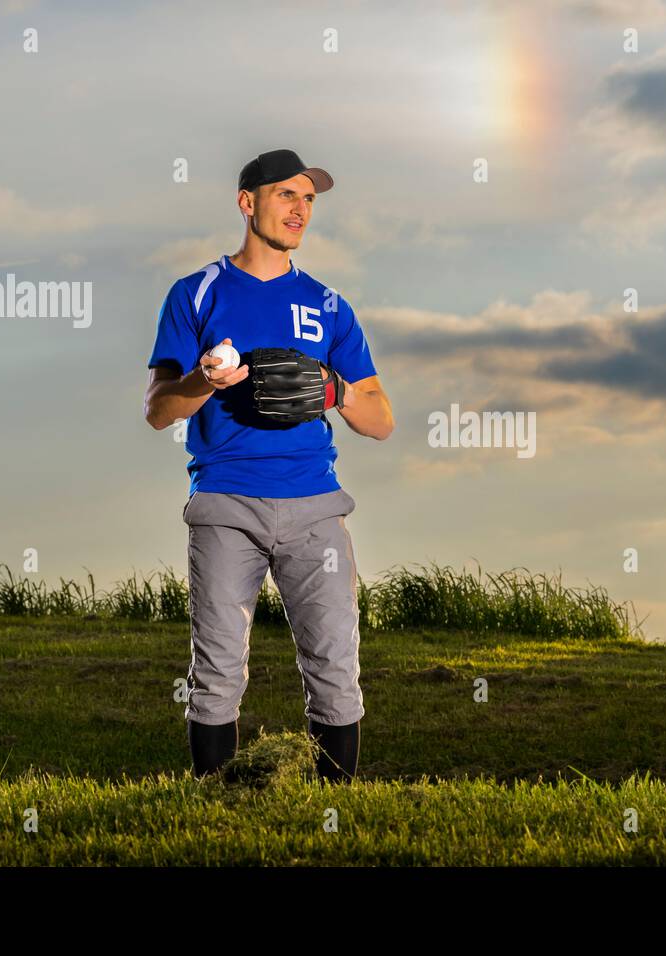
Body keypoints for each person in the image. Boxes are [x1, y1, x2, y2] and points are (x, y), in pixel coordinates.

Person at [143, 149, 394, 782]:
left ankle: (337, 808)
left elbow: (381, 417)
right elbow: (157, 410)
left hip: (316, 505)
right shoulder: (196, 293)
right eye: (286, 195)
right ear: (246, 201)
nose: (300, 210)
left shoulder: (329, 304)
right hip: (226, 499)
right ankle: (213, 803)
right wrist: (203, 378)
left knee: (335, 663)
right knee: (218, 667)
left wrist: (334, 392)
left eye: (308, 199)